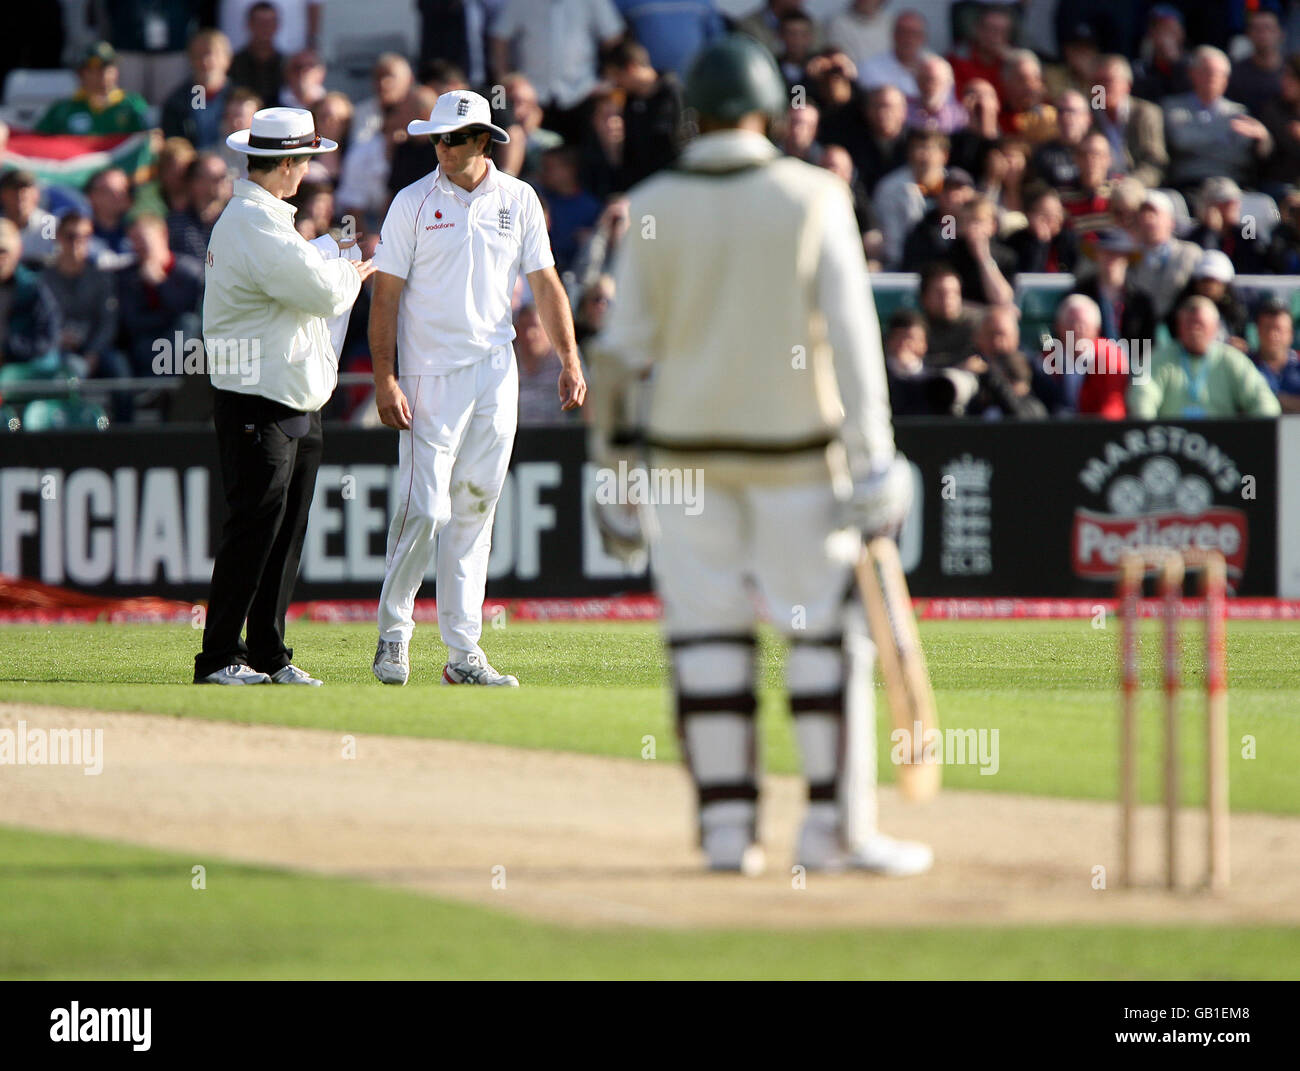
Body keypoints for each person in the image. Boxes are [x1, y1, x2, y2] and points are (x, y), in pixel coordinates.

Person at [589, 35, 929, 876]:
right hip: (796, 461)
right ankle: (832, 830)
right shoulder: (812, 195)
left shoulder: (655, 201)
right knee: (821, 644)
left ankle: (725, 834)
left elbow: (619, 355)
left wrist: (614, 476)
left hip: (683, 463)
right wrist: (875, 457)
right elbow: (854, 342)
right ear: (771, 111)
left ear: (690, 116)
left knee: (706, 643)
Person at [369, 90, 586, 688]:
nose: (442, 148)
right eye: (437, 139)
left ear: (483, 141)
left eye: (454, 138)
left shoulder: (518, 199)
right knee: (426, 508)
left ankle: (463, 653)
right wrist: (385, 376)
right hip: (426, 374)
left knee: (474, 509)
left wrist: (569, 358)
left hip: (494, 372)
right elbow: (384, 297)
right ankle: (394, 634)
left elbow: (544, 286)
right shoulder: (412, 203)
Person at [195, 107, 373, 686]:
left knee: (282, 535)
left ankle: (268, 653)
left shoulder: (261, 219)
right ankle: (219, 655)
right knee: (255, 530)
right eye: (304, 161)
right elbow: (321, 292)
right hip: (259, 403)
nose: (306, 173)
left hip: (291, 400)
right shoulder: (254, 223)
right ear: (289, 165)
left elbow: (303, 285)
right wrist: (350, 269)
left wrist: (333, 268)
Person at [1127, 295, 1280, 419]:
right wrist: (1147, 426)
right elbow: (1141, 395)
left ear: (1215, 327)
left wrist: (1258, 433)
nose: (1195, 331)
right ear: (1179, 327)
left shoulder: (1233, 360)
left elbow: (1264, 401)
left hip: (1222, 444)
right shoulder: (1158, 358)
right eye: (1189, 325)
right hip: (1171, 441)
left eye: (1200, 325)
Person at [1163, 46, 1272, 195]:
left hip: (1231, 185)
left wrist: (1197, 143)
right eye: (1206, 71)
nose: (1212, 78)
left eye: (1219, 74)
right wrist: (1224, 141)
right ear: (1192, 74)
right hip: (1187, 184)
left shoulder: (1238, 112)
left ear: (1226, 80)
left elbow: (1241, 157)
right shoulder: (1172, 107)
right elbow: (1180, 142)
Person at [35, 43, 150, 136]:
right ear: (81, 74)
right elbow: (36, 141)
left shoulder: (132, 104)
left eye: (109, 70)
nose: (104, 76)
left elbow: (149, 142)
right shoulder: (63, 109)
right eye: (96, 71)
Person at [1091, 54, 1167, 189]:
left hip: (1136, 185)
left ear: (1127, 85)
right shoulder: (1090, 115)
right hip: (1099, 187)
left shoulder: (1145, 114)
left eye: (1108, 81)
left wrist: (1130, 184)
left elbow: (1155, 163)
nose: (1101, 88)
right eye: (1098, 82)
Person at [1128, 190, 1202, 321]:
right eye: (1143, 213)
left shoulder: (1190, 254)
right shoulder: (1128, 256)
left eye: (1154, 213)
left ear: (1171, 221)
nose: (1148, 219)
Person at [160, 30, 233, 149]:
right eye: (198, 55)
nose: (205, 62)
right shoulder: (177, 103)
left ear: (227, 59)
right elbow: (173, 146)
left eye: (210, 54)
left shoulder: (243, 100)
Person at [229, 1, 285, 107]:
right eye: (260, 23)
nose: (265, 28)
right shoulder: (233, 63)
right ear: (249, 24)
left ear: (277, 26)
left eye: (269, 23)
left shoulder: (287, 65)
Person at [1251, 298, 1300, 413]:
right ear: (1258, 331)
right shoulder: (1244, 366)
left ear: (1291, 333)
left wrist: (1267, 400)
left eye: (1279, 329)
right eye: (1267, 328)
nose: (1273, 335)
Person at [0, 170, 57, 267]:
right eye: (15, 189)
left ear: (36, 194)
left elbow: (53, 256)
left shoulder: (49, 224)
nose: (21, 195)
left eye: (26, 189)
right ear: (3, 194)